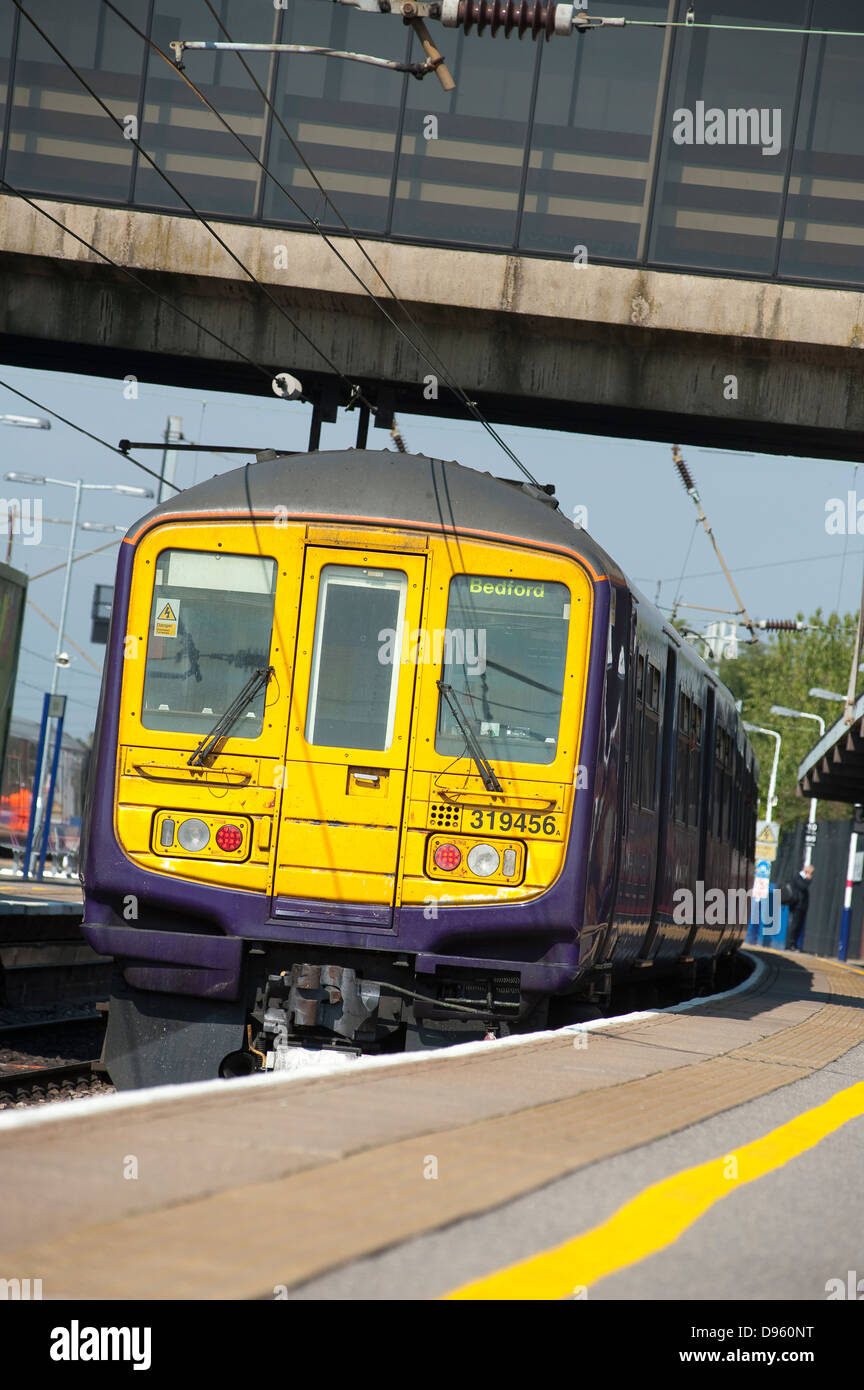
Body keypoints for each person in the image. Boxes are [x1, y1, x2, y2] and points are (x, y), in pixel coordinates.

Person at [780, 864, 815, 951]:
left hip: (801, 906)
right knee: (793, 925)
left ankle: (794, 944)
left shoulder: (802, 878)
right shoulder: (798, 877)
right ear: (806, 871)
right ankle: (789, 945)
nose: (811, 875)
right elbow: (803, 886)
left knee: (798, 926)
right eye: (810, 873)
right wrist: (808, 879)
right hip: (796, 905)